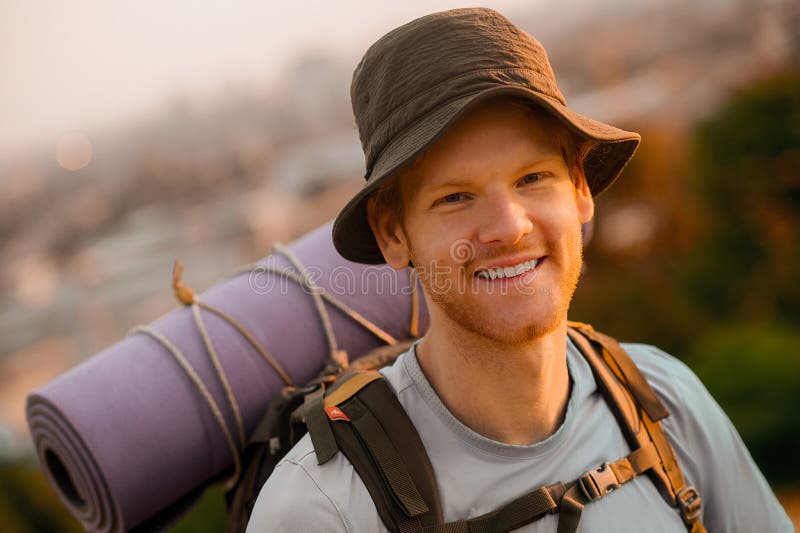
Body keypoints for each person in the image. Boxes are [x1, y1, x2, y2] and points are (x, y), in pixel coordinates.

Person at [246, 7, 793, 532]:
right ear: (393, 233)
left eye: (532, 178)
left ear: (580, 189)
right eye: (456, 197)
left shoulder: (664, 403)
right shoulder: (324, 509)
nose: (509, 227)